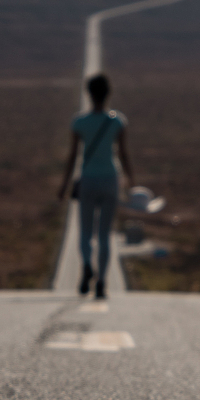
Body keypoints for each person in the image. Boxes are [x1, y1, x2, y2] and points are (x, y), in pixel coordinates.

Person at [56, 73, 132, 300]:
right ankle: (102, 281)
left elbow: (73, 157)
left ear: (89, 94)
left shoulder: (79, 122)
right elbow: (124, 153)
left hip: (87, 179)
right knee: (105, 234)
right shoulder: (117, 121)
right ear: (108, 93)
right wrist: (131, 181)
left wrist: (64, 185)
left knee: (86, 231)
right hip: (110, 179)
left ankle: (88, 264)